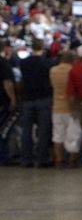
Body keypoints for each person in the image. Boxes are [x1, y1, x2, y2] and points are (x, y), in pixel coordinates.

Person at [17, 39, 53, 167]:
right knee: (43, 130)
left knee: (26, 130)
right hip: (43, 97)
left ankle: (26, 159)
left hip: (27, 98)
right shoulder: (47, 63)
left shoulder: (24, 62)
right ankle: (41, 159)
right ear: (42, 47)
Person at [49, 50, 81, 168]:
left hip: (57, 107)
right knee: (73, 136)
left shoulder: (53, 70)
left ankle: (59, 160)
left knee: (58, 135)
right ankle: (72, 161)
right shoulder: (74, 71)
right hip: (71, 108)